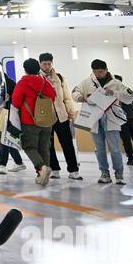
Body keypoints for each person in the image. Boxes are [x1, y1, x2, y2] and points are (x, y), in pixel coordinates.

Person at [72, 59, 133, 185]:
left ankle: (119, 174)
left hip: (111, 119)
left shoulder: (116, 83)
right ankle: (104, 173)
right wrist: (81, 98)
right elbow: (75, 92)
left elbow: (129, 98)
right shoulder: (87, 82)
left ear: (106, 70)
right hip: (94, 120)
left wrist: (114, 93)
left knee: (115, 148)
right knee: (99, 149)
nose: (98, 74)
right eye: (95, 72)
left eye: (101, 71)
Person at [10, 57, 56, 186]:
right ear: (38, 68)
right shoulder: (45, 82)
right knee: (44, 147)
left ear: (25, 70)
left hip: (29, 121)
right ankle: (42, 175)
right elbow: (53, 96)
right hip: (46, 120)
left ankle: (41, 168)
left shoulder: (23, 83)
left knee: (29, 146)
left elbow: (16, 102)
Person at [38, 52, 82, 180]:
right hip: (46, 117)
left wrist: (71, 112)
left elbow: (67, 97)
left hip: (61, 116)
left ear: (52, 63)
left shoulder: (59, 77)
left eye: (49, 64)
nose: (47, 66)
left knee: (67, 144)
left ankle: (73, 171)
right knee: (48, 145)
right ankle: (55, 170)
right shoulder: (37, 78)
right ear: (40, 64)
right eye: (44, 64)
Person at [0, 71, 27, 174]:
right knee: (8, 138)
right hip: (3, 114)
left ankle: (2, 165)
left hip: (6, 114)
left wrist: (7, 99)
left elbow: (17, 100)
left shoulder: (7, 83)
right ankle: (18, 162)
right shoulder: (0, 82)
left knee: (5, 138)